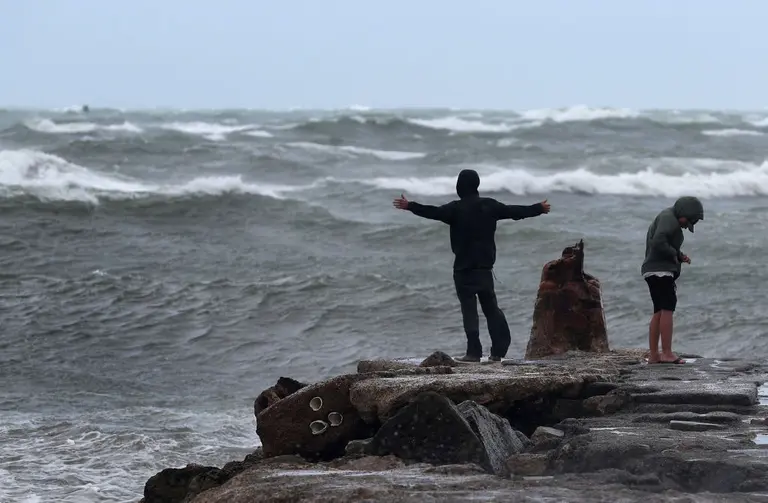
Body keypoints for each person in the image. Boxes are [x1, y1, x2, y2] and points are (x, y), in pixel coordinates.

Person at [392, 169, 551, 362]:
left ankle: (473, 352)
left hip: (463, 271)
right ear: (476, 186)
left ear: (459, 187)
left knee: (469, 311)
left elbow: (433, 212)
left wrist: (410, 206)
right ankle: (498, 351)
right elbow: (515, 211)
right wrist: (538, 208)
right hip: (484, 270)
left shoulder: (454, 209)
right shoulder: (489, 206)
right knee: (491, 309)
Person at [641, 196, 704, 364]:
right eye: (688, 221)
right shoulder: (669, 219)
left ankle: (654, 355)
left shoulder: (666, 217)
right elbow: (659, 241)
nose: (685, 226)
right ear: (683, 212)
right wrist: (676, 255)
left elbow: (661, 243)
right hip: (661, 272)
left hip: (651, 270)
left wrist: (679, 255)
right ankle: (667, 352)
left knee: (659, 311)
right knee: (668, 308)